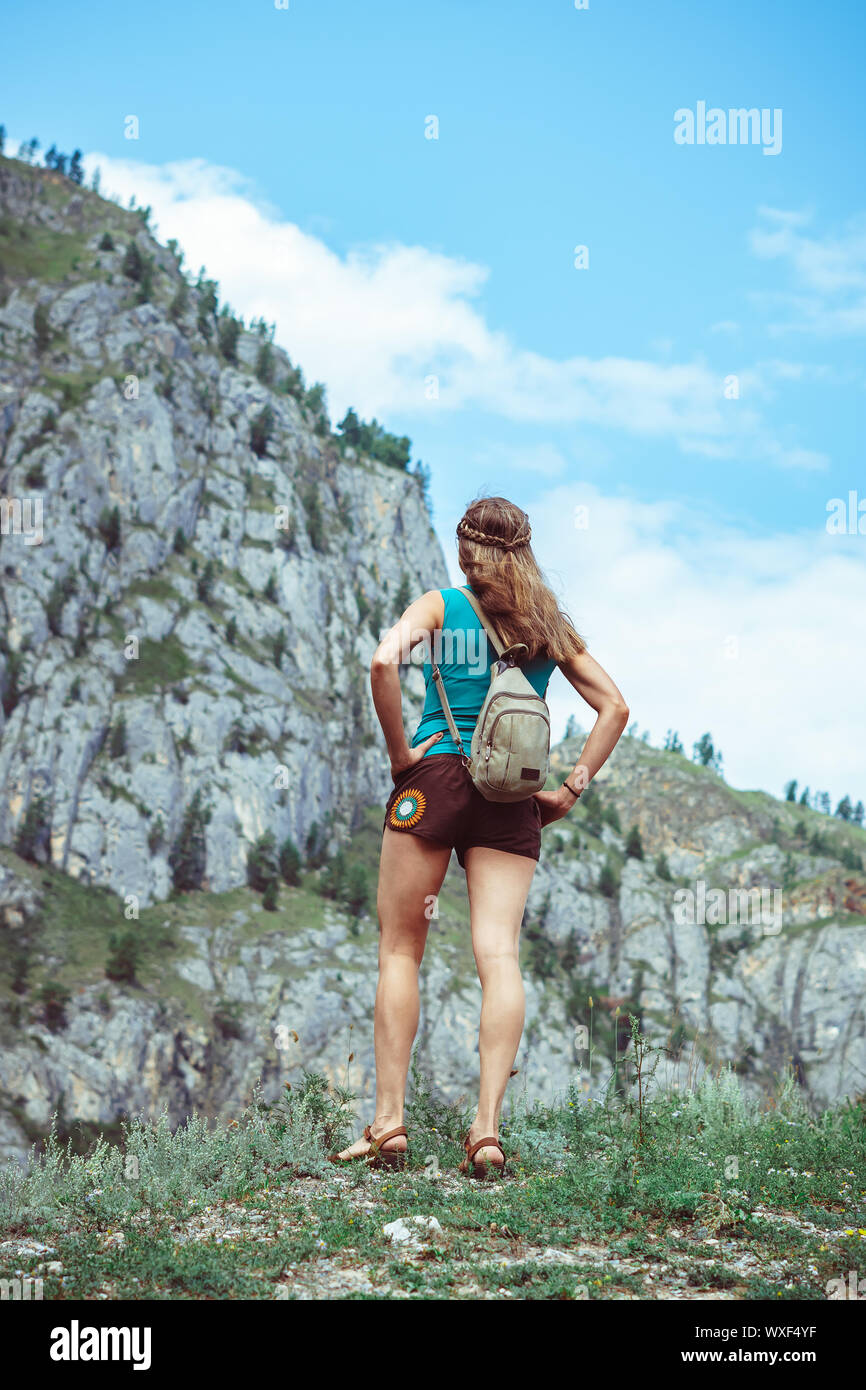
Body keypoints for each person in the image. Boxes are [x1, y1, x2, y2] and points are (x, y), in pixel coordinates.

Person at [330, 496, 629, 1178]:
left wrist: (402, 756)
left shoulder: (442, 606)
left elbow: (382, 663)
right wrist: (568, 791)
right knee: (500, 957)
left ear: (467, 551)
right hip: (512, 797)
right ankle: (487, 1133)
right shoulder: (548, 625)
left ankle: (389, 1126)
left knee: (401, 949)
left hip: (434, 778)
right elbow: (616, 705)